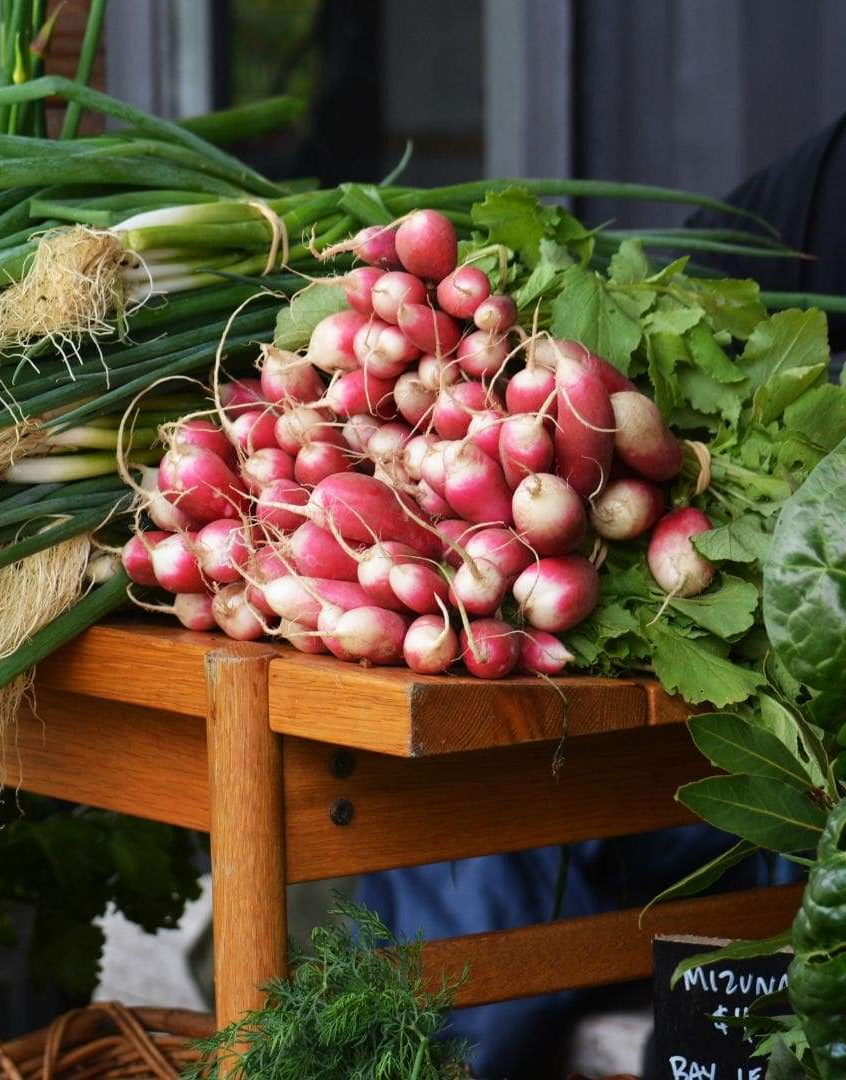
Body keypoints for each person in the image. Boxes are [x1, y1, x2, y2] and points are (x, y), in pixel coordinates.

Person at [356, 112, 845, 1080]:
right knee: (494, 813)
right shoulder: (820, 187)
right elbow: (689, 319)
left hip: (755, 727)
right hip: (673, 698)